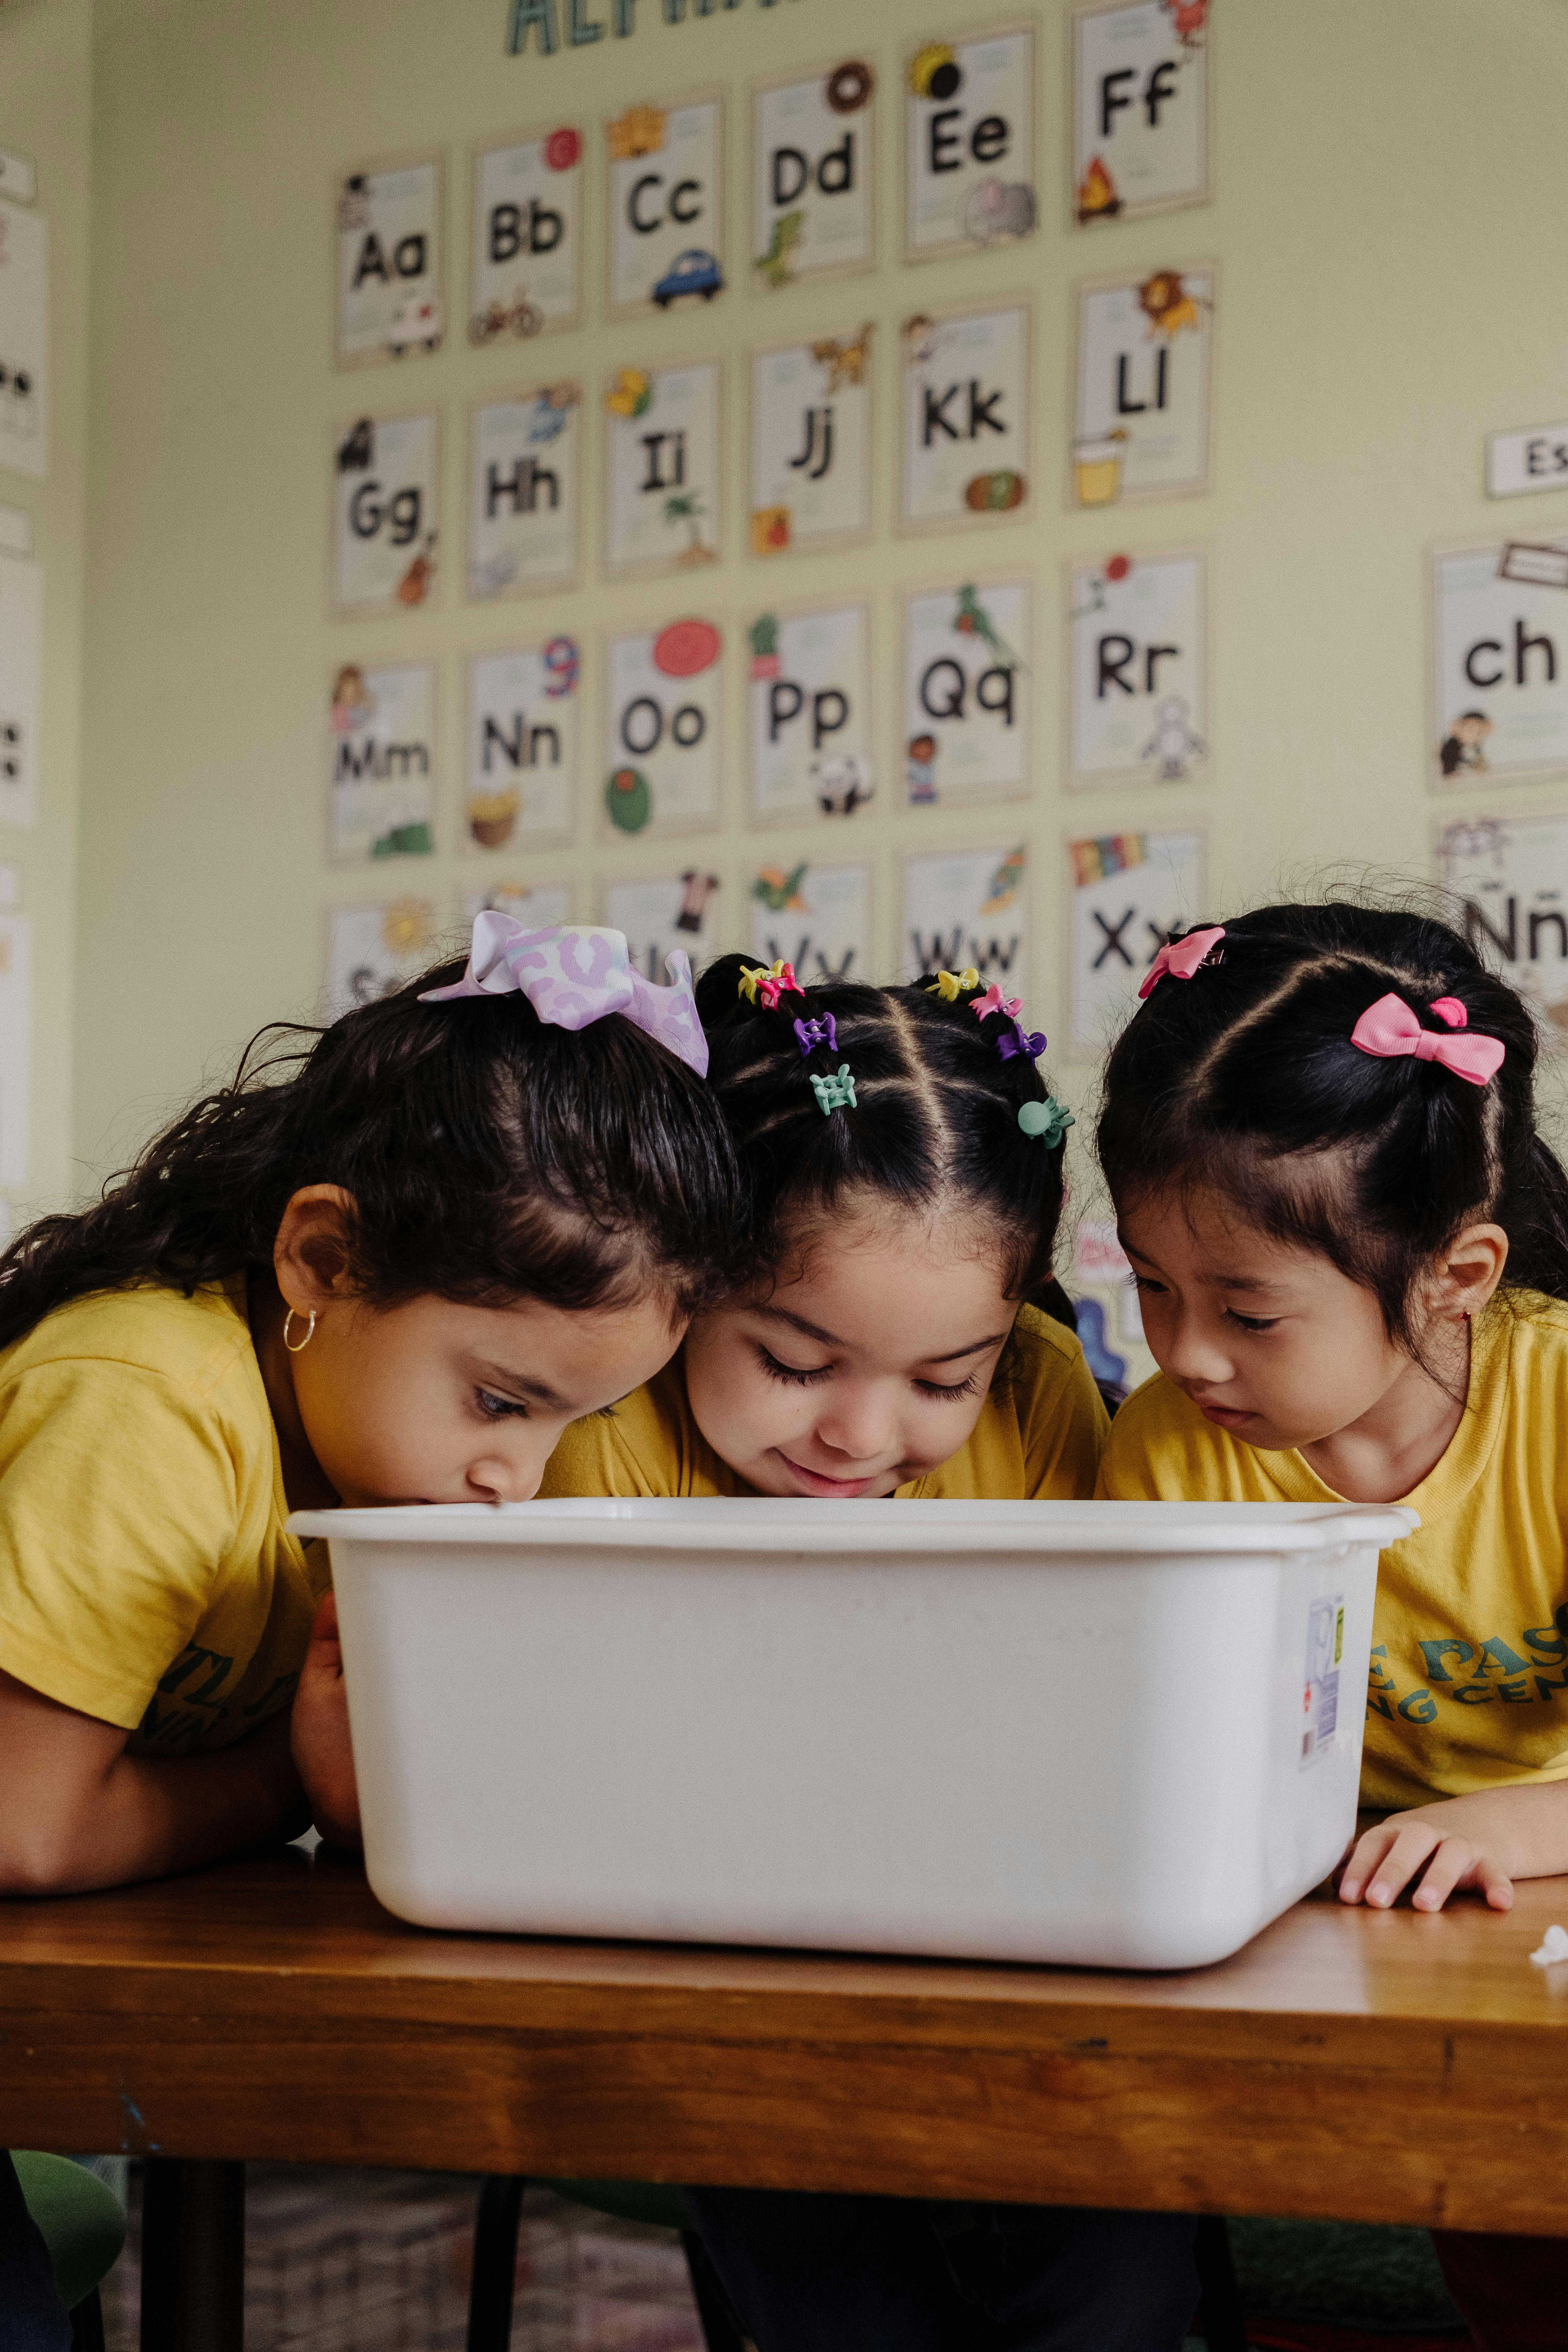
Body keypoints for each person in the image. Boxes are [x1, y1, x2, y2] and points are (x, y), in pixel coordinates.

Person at [535, 953, 1199, 2352]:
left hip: (1029, 1981)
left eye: (942, 1381)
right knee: (824, 2276)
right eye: (791, 1361)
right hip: (730, 1994)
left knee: (1112, 2275)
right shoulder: (601, 1436)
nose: (860, 1437)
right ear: (686, 1285)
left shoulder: (1043, 1400)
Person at [0, 915, 739, 1899]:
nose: (516, 1482)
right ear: (324, 1262)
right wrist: (282, 1787)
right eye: (497, 1401)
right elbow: (24, 1830)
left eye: (578, 1418)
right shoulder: (152, 1406)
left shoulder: (369, 1458)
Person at [1095, 899, 1568, 2352]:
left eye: (1248, 1310)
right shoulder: (1168, 1452)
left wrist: (1506, 1828)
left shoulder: (1555, 1417)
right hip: (1364, 1946)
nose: (1181, 1354)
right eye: (1151, 1285)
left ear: (1456, 1275)